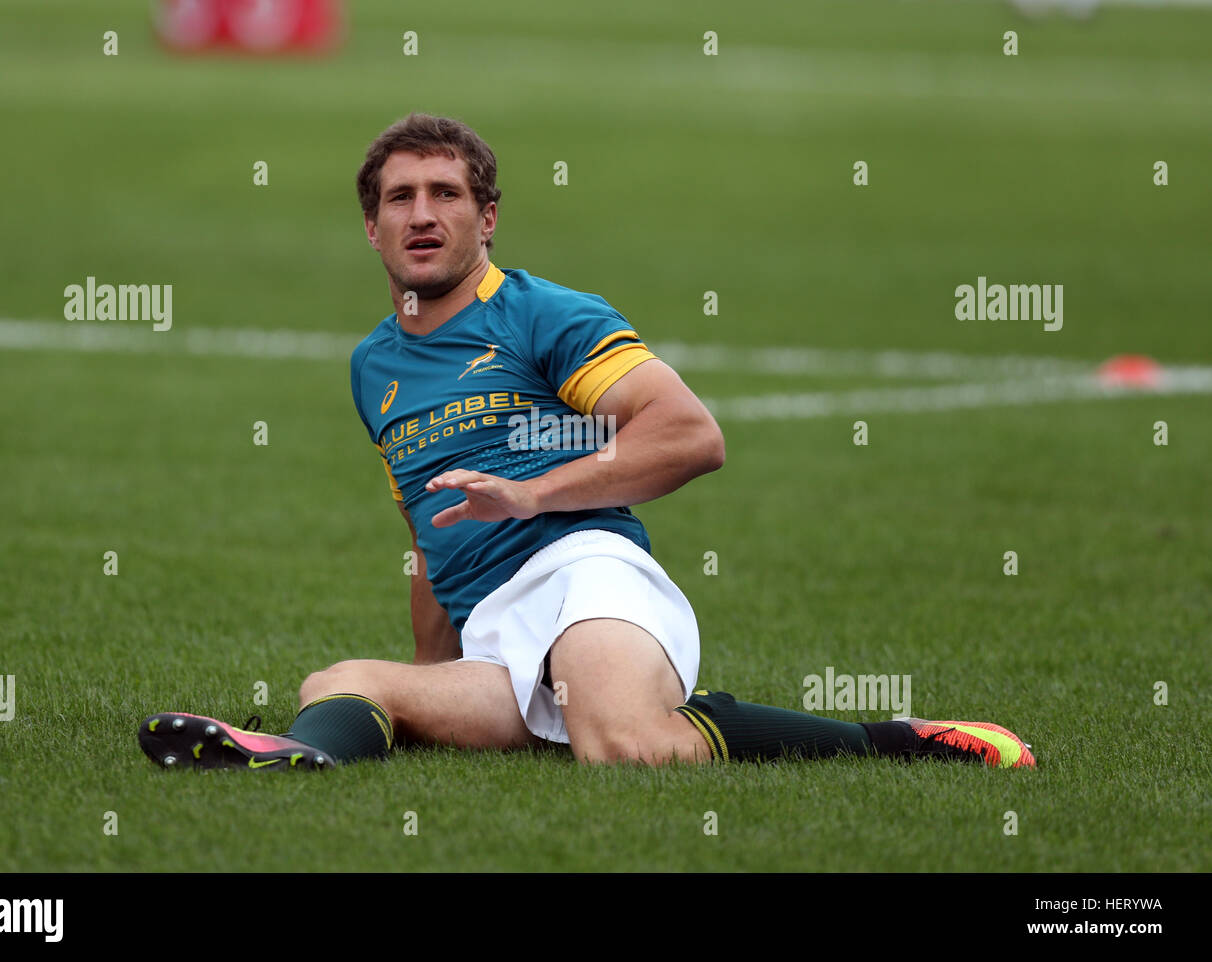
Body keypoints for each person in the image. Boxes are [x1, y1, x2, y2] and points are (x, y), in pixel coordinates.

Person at [138, 114, 1035, 772]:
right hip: (496, 634)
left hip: (589, 576)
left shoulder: (542, 314)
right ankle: (296, 759)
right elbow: (429, 532)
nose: (421, 213)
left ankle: (894, 742)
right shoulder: (373, 365)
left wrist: (531, 495)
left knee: (627, 748)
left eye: (445, 194)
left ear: (486, 218)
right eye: (399, 198)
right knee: (342, 681)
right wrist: (434, 681)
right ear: (370, 227)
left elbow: (690, 434)